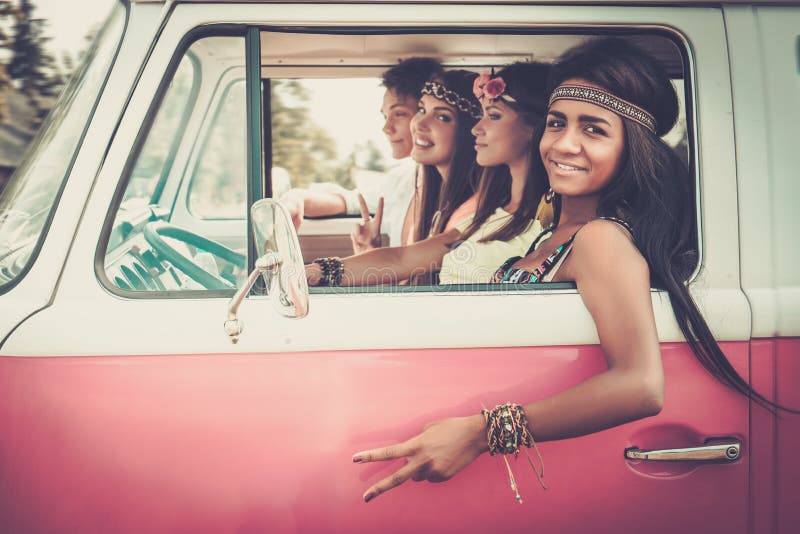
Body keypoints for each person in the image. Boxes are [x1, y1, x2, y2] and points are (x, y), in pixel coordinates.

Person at [349, 38, 797, 504]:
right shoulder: (555, 231)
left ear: (632, 146)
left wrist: (483, 432)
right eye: (557, 123)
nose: (565, 143)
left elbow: (640, 386)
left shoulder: (601, 239)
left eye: (594, 130)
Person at [306, 62, 552, 287]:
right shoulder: (491, 213)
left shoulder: (548, 220)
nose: (478, 128)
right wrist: (318, 271)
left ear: (535, 127)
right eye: (421, 110)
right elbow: (402, 258)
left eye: (494, 116)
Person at [280, 58, 443, 252]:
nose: (386, 128)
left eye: (399, 114)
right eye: (384, 116)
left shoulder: (455, 188)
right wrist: (296, 199)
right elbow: (348, 202)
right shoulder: (401, 178)